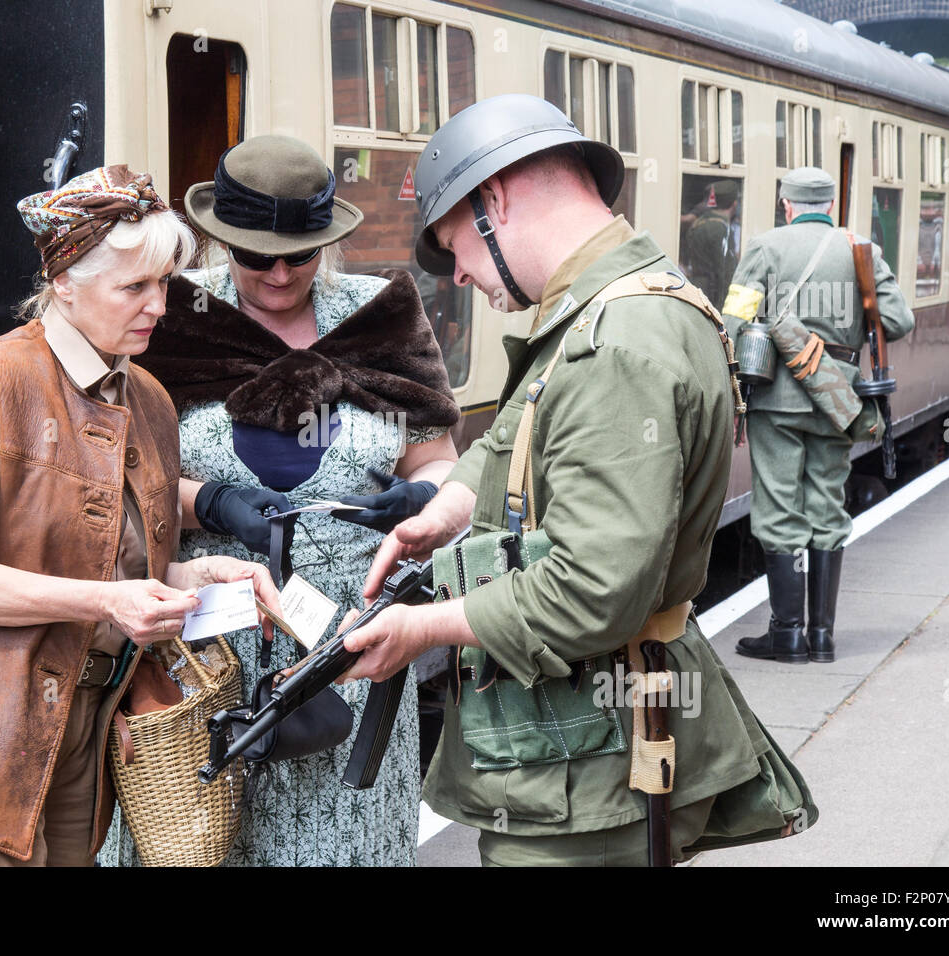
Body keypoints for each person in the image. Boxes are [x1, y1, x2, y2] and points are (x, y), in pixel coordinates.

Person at [342, 94, 813, 867]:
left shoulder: (614, 346)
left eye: (454, 243)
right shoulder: (622, 304)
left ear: (494, 199)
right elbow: (513, 431)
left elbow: (594, 587)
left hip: (587, 770)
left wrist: (423, 630)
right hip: (596, 744)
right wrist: (447, 508)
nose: (457, 273)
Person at [0, 165, 281, 866]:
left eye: (164, 283)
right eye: (134, 287)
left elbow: (117, 562)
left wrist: (202, 575)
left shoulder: (150, 400)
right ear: (64, 284)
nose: (158, 305)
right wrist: (107, 600)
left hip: (87, 724)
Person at [96, 135, 460, 867]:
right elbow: (117, 477)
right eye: (257, 255)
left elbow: (442, 462)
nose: (281, 273)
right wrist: (213, 502)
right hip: (199, 658)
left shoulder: (379, 316)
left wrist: (421, 500)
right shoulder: (172, 317)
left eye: (301, 252)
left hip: (353, 651)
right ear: (221, 239)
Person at [721, 167, 914, 664]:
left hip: (777, 400)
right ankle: (823, 636)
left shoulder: (766, 247)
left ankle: (787, 634)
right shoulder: (860, 250)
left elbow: (733, 322)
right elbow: (899, 320)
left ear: (786, 204)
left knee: (780, 506)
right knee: (827, 504)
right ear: (831, 205)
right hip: (837, 400)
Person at [683, 179, 741, 308]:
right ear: (734, 204)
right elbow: (725, 272)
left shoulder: (699, 222)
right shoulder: (721, 228)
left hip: (696, 290)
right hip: (713, 296)